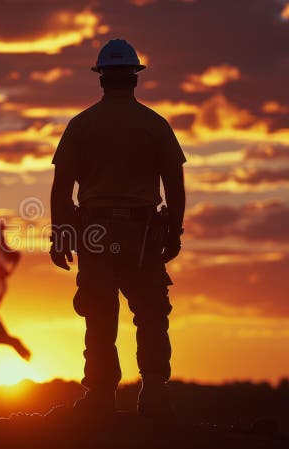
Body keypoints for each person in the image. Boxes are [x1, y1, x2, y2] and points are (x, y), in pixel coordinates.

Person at [50, 39, 186, 418]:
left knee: (99, 314)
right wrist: (174, 232)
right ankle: (155, 393)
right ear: (135, 79)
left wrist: (60, 234)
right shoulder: (155, 125)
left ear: (101, 80)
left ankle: (99, 398)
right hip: (143, 237)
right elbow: (175, 187)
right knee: (151, 314)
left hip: (95, 235)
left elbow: (62, 189)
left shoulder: (81, 126)